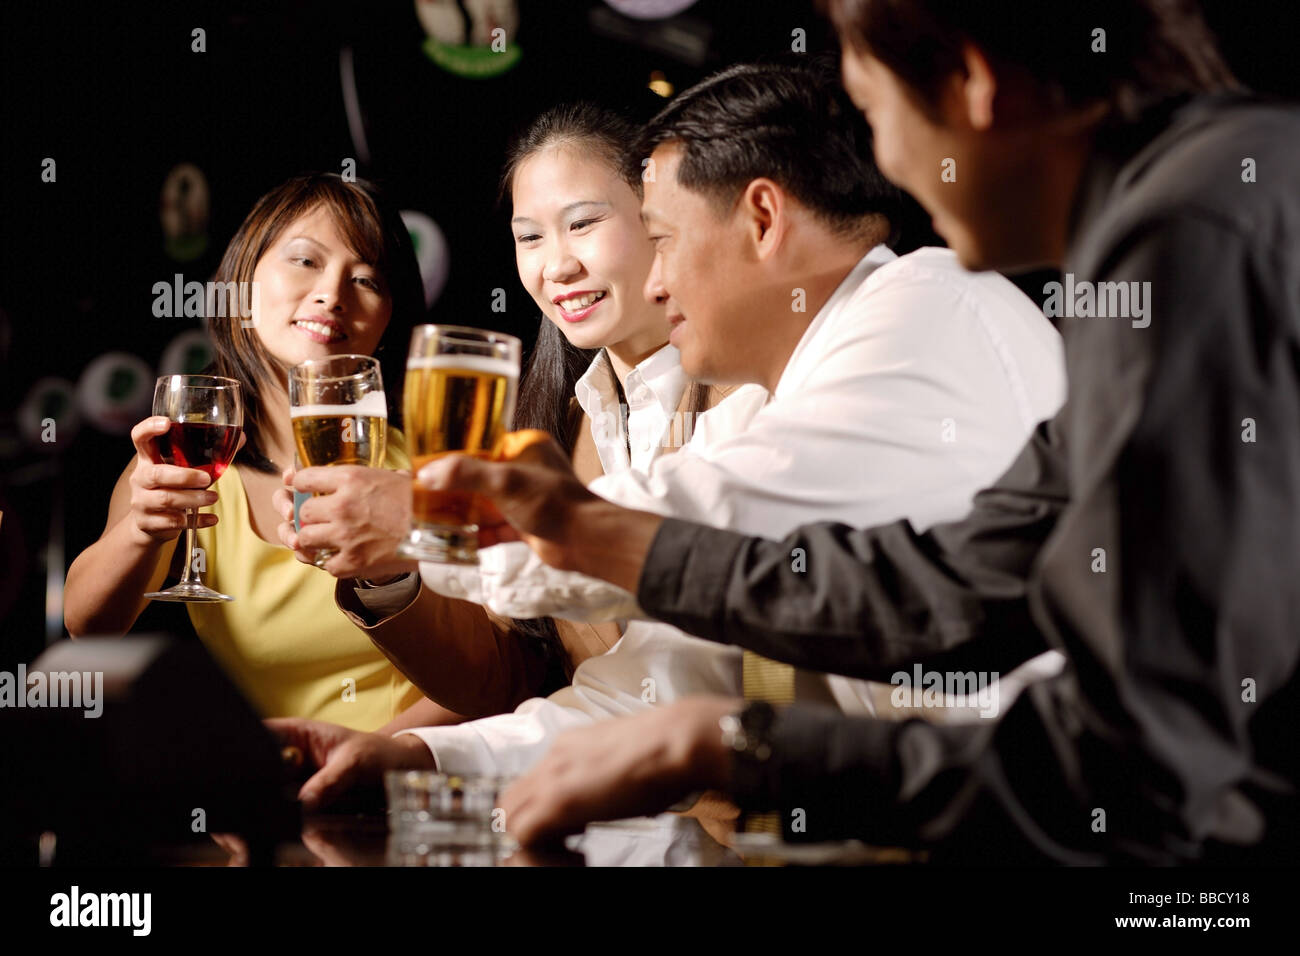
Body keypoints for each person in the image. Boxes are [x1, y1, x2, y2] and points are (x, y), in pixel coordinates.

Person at [418, 0, 1300, 863]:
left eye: (876, 115)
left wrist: (743, 750)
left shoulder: (1160, 239)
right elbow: (951, 586)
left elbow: (1134, 768)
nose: (880, 165)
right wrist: (444, 745)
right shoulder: (1214, 192)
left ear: (973, 83)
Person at [268, 60, 1067, 813]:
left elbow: (704, 521)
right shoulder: (776, 391)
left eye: (662, 240)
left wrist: (427, 522)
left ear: (762, 218)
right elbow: (653, 683)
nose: (652, 282)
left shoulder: (924, 309)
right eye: (530, 237)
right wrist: (415, 760)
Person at [271, 103, 729, 718]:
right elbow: (510, 678)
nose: (556, 265)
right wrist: (391, 571)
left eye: (584, 223)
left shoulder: (751, 392)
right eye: (530, 237)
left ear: (660, 216)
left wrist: (427, 524)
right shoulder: (560, 428)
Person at [64, 173, 444, 733]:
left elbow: (502, 667)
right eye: (305, 260)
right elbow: (88, 627)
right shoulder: (188, 463)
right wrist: (142, 532)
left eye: (367, 279)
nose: (332, 294)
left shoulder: (432, 461)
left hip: (422, 777)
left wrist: (365, 760)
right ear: (242, 281)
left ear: (388, 318)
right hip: (274, 795)